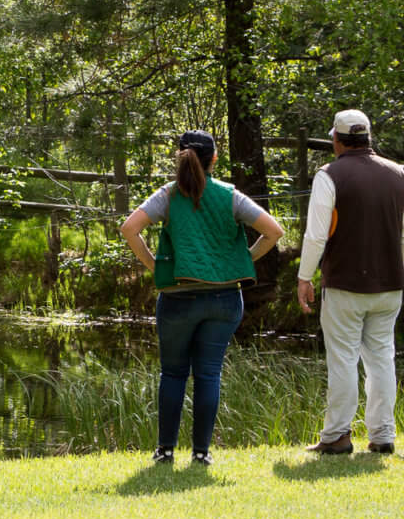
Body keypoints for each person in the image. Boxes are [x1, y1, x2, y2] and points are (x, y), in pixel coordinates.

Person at [119, 130, 285, 465]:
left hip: (178, 299)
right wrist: (241, 260)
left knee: (174, 373)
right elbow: (274, 231)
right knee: (208, 374)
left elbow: (129, 228)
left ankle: (165, 451)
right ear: (214, 159)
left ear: (179, 156)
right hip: (224, 299)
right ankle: (201, 453)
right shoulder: (230, 195)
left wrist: (153, 264)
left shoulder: (168, 194)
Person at [296, 110, 404, 456]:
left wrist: (305, 276)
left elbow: (316, 235)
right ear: (368, 138)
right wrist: (394, 266)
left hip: (345, 284)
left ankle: (337, 434)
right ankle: (382, 434)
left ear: (336, 139)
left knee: (344, 359)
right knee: (382, 358)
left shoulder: (329, 174)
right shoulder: (399, 176)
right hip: (390, 284)